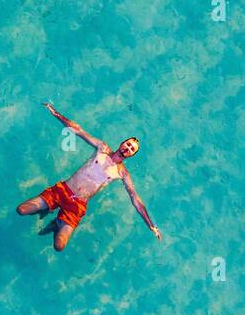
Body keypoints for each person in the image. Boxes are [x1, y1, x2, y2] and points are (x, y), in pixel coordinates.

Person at [17, 102, 162, 251]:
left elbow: (135, 199)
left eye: (132, 149)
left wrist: (151, 225)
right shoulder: (102, 148)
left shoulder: (122, 173)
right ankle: (49, 209)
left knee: (59, 246)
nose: (128, 148)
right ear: (122, 143)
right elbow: (78, 130)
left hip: (77, 206)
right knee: (21, 210)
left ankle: (57, 224)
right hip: (61, 191)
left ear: (131, 155)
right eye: (128, 144)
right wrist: (56, 113)